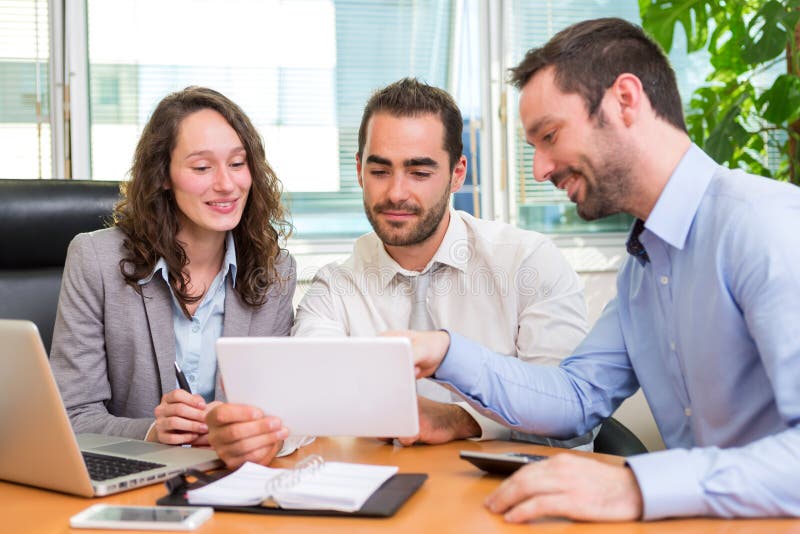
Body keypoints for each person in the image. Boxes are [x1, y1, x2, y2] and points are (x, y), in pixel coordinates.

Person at [409, 17, 800, 522]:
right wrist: (444, 351)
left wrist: (634, 487)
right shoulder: (643, 270)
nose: (541, 169)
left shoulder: (766, 227)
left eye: (549, 136)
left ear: (625, 100)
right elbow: (575, 397)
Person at [209, 77, 591, 451]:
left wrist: (461, 419)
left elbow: (570, 416)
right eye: (379, 171)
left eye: (420, 172)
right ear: (359, 170)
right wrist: (260, 437)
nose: (396, 192)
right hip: (384, 498)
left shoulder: (528, 263)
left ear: (457, 173)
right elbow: (308, 403)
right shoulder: (335, 287)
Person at [50, 86, 303, 467]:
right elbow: (72, 416)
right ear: (163, 175)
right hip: (133, 486)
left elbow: (283, 411)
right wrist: (152, 432)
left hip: (233, 480)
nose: (226, 184)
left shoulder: (274, 270)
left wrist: (254, 436)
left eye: (237, 163)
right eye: (202, 168)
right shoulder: (95, 260)